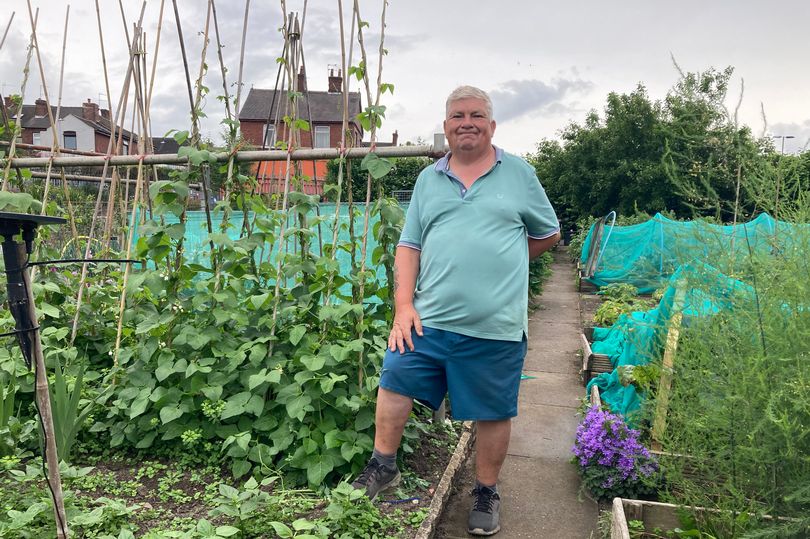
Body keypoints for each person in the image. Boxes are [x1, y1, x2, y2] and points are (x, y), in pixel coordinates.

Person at [352, 85, 560, 536]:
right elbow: (409, 245)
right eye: (458, 116)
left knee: (492, 410)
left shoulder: (520, 174)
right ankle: (382, 466)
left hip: (495, 326)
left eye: (477, 115)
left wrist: (506, 259)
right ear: (446, 126)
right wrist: (402, 306)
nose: (467, 122)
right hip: (428, 318)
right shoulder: (429, 179)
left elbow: (548, 234)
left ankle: (486, 492)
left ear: (492, 125)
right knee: (395, 377)